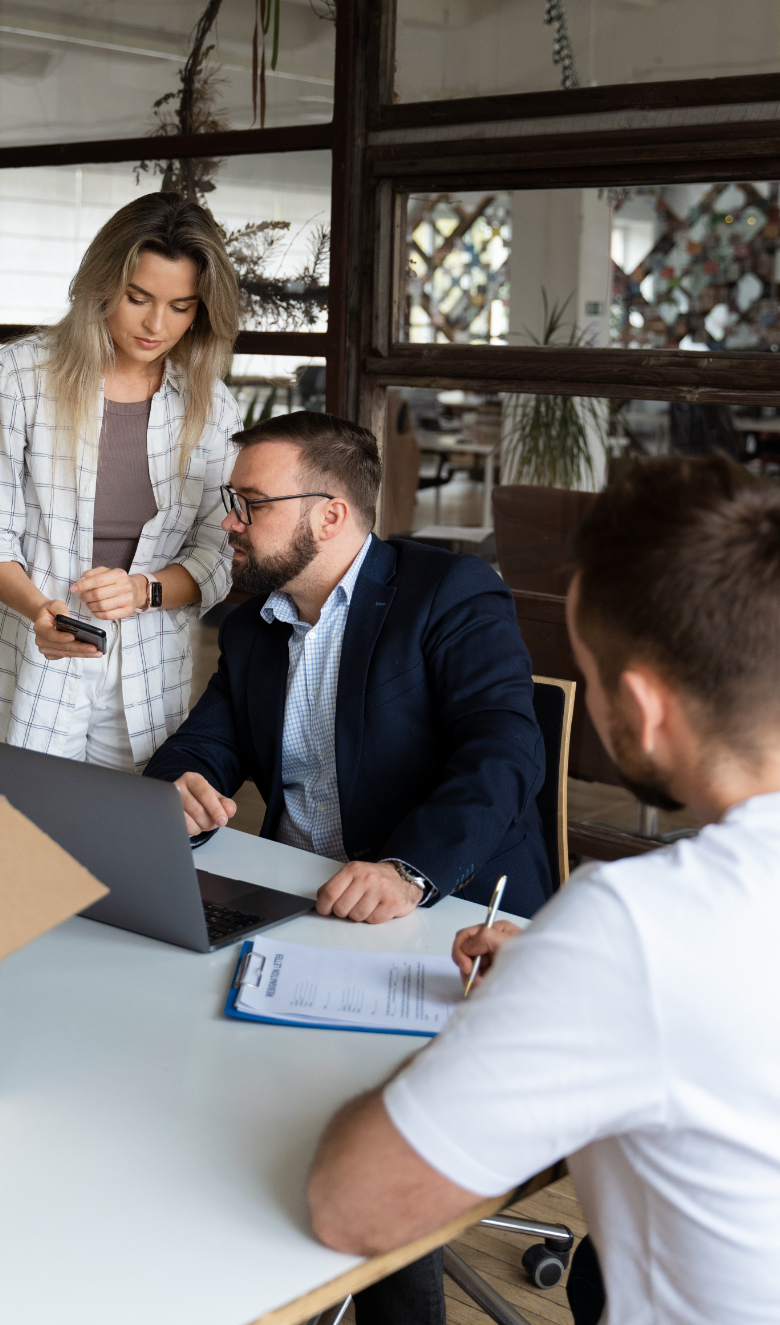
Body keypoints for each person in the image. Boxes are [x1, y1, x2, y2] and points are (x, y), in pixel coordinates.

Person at [307, 454, 780, 1325]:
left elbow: (353, 1203)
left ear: (640, 709)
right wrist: (562, 973)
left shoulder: (639, 929)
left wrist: (540, 994)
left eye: (589, 677)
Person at [144, 410, 551, 1325]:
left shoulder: (449, 593)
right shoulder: (254, 623)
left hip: (439, 922)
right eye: (231, 502)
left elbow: (503, 756)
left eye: (250, 504)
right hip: (299, 912)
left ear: (328, 516)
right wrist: (180, 783)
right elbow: (205, 741)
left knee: (358, 1130)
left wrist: (408, 866)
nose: (230, 524)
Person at [0, 192, 242, 768]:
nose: (156, 325)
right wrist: (42, 611)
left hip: (148, 670)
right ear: (101, 286)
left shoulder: (212, 406)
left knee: (126, 843)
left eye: (182, 306)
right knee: (21, 840)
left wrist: (145, 590)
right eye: (138, 298)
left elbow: (218, 553)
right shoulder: (18, 376)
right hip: (33, 654)